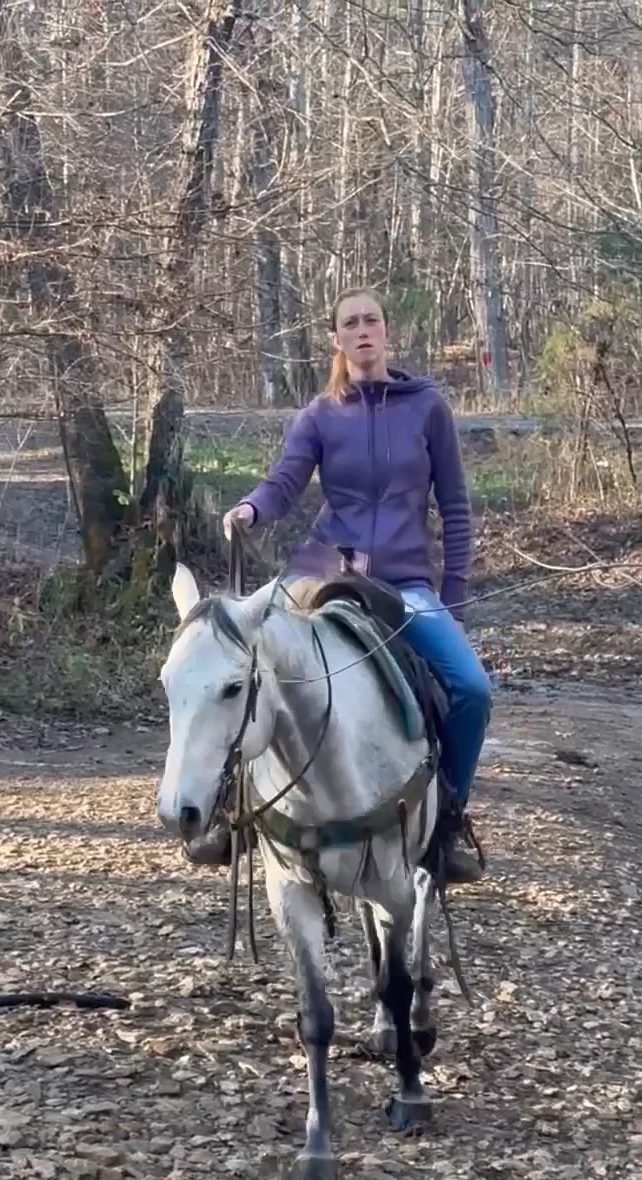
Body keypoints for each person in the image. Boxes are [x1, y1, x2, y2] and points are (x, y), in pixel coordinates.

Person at [211, 286, 491, 883]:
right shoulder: (318, 414)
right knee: (241, 662)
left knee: (472, 689)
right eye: (351, 323)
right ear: (336, 339)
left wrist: (456, 599)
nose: (363, 330)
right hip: (319, 572)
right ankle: (230, 809)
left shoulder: (427, 407)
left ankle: (447, 820)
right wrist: (249, 511)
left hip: (406, 581)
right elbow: (283, 483)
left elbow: (457, 509)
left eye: (373, 320)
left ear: (387, 333)